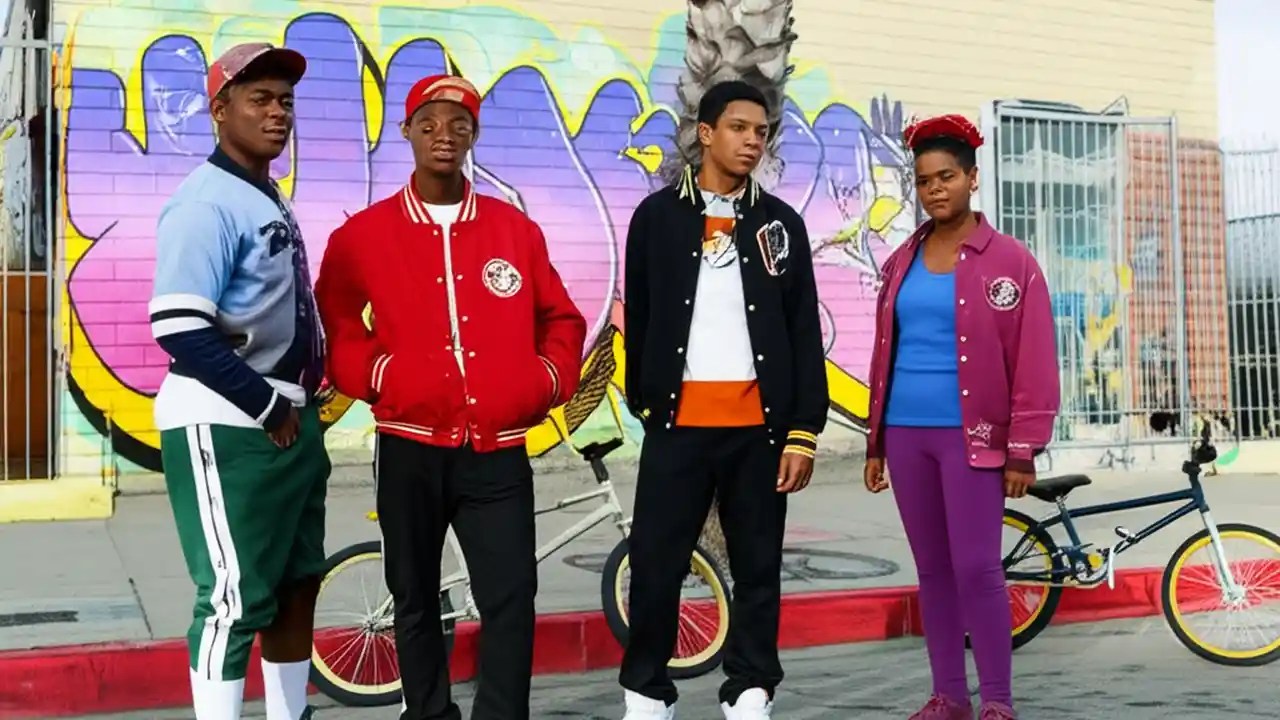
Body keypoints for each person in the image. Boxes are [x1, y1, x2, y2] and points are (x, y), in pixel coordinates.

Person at [313, 74, 587, 720]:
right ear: (406, 132)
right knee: (413, 597)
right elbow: (339, 325)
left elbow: (563, 322)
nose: (445, 134)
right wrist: (380, 377)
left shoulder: (514, 231)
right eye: (429, 123)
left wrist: (544, 382)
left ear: (474, 135)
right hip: (408, 447)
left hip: (496, 453)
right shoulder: (364, 236)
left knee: (511, 595)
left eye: (459, 123)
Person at [618, 79, 830, 720]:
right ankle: (647, 695)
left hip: (758, 433)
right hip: (678, 427)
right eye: (739, 128)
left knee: (758, 567)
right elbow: (643, 315)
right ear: (705, 133)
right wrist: (648, 402)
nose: (753, 141)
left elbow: (801, 331)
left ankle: (750, 690)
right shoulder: (656, 218)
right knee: (656, 565)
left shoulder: (780, 223)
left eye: (762, 131)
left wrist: (803, 431)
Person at [149, 42, 329, 720]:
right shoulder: (204, 200)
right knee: (232, 596)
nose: (277, 112)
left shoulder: (260, 191)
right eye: (260, 99)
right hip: (228, 418)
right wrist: (264, 406)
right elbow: (179, 326)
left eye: (285, 100)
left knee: (294, 585)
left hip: (285, 413)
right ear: (220, 110)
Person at [862, 114, 1061, 720]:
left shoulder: (1011, 261)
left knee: (977, 567)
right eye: (924, 181)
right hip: (905, 434)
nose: (935, 189)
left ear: (973, 178)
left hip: (973, 439)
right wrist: (876, 444)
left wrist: (1024, 446)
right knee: (933, 571)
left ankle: (997, 701)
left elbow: (1033, 358)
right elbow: (884, 350)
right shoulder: (902, 259)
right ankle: (948, 696)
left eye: (946, 176)